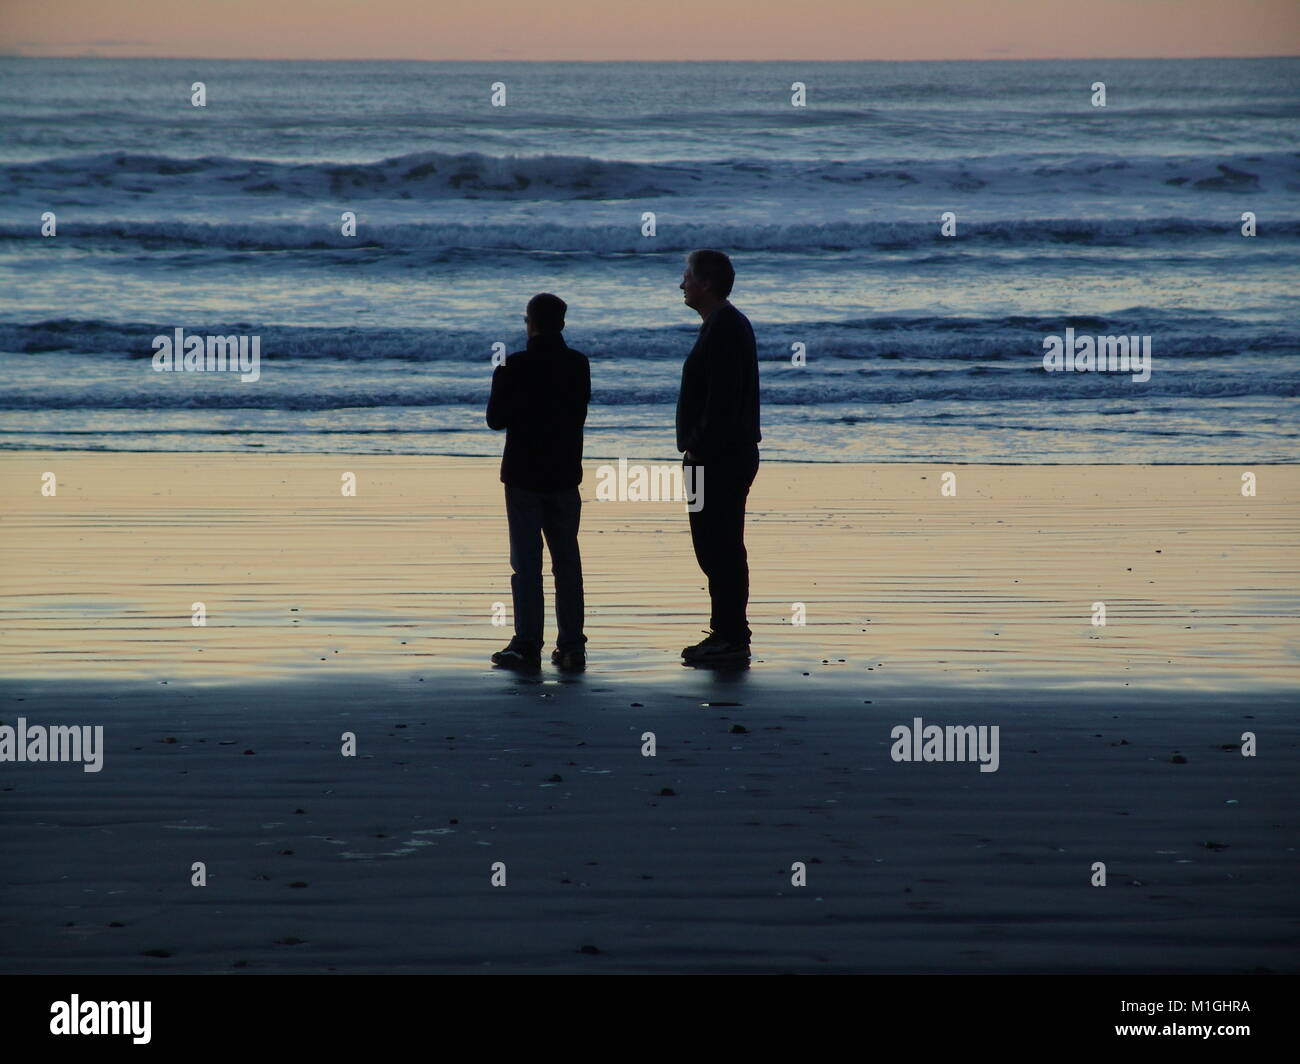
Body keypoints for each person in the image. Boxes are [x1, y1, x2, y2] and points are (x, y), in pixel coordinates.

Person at [486, 293, 591, 672]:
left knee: (526, 564)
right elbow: (578, 413)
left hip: (523, 475)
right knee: (567, 563)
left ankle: (528, 642)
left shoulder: (514, 366)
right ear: (561, 323)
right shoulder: (578, 364)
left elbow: (495, 420)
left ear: (529, 322)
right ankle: (572, 645)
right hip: (563, 473)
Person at [675, 250, 761, 666]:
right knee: (716, 546)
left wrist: (698, 446)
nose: (682, 284)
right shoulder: (722, 324)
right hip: (718, 454)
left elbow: (723, 401)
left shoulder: (725, 326)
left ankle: (730, 635)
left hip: (719, 457)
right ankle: (727, 631)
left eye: (687, 277)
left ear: (705, 283)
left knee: (719, 546)